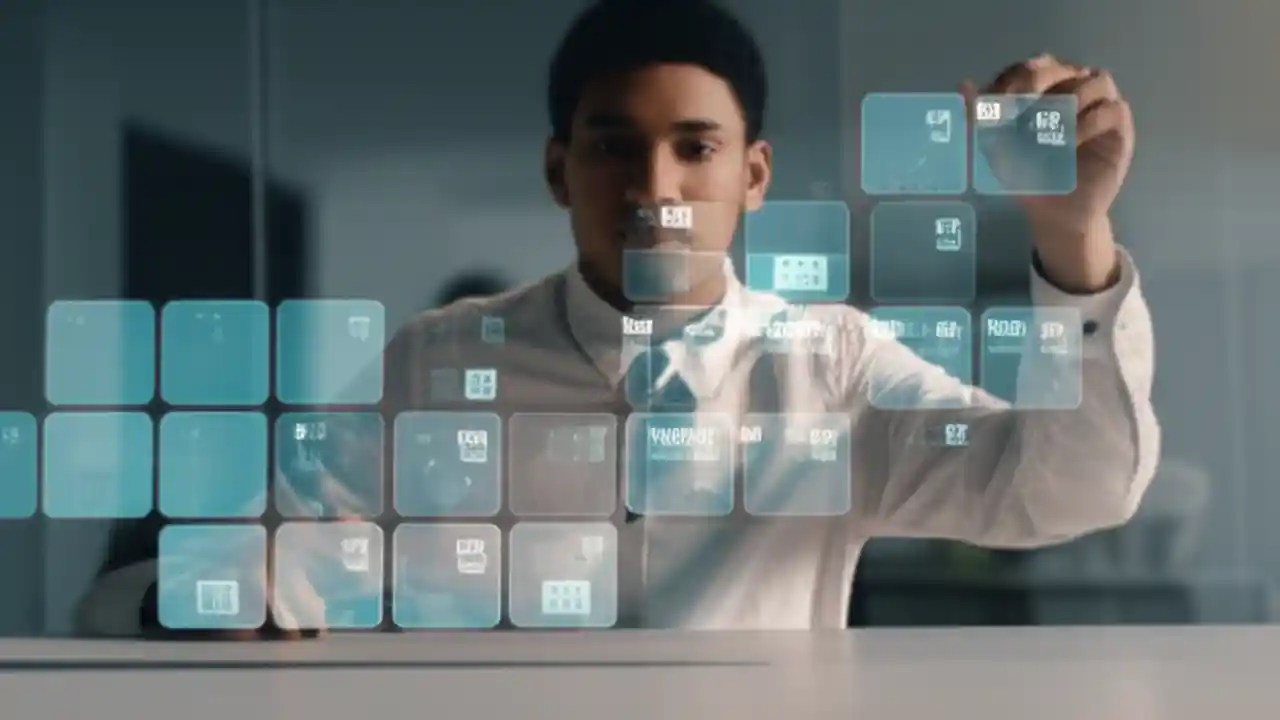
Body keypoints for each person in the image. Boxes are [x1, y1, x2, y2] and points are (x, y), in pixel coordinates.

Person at [77, 0, 1157, 635]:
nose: (654, 183)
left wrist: (1068, 240)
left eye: (695, 146)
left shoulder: (831, 369)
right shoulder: (437, 365)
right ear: (558, 170)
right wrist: (225, 589)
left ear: (753, 175)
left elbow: (1066, 491)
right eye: (610, 144)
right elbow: (232, 572)